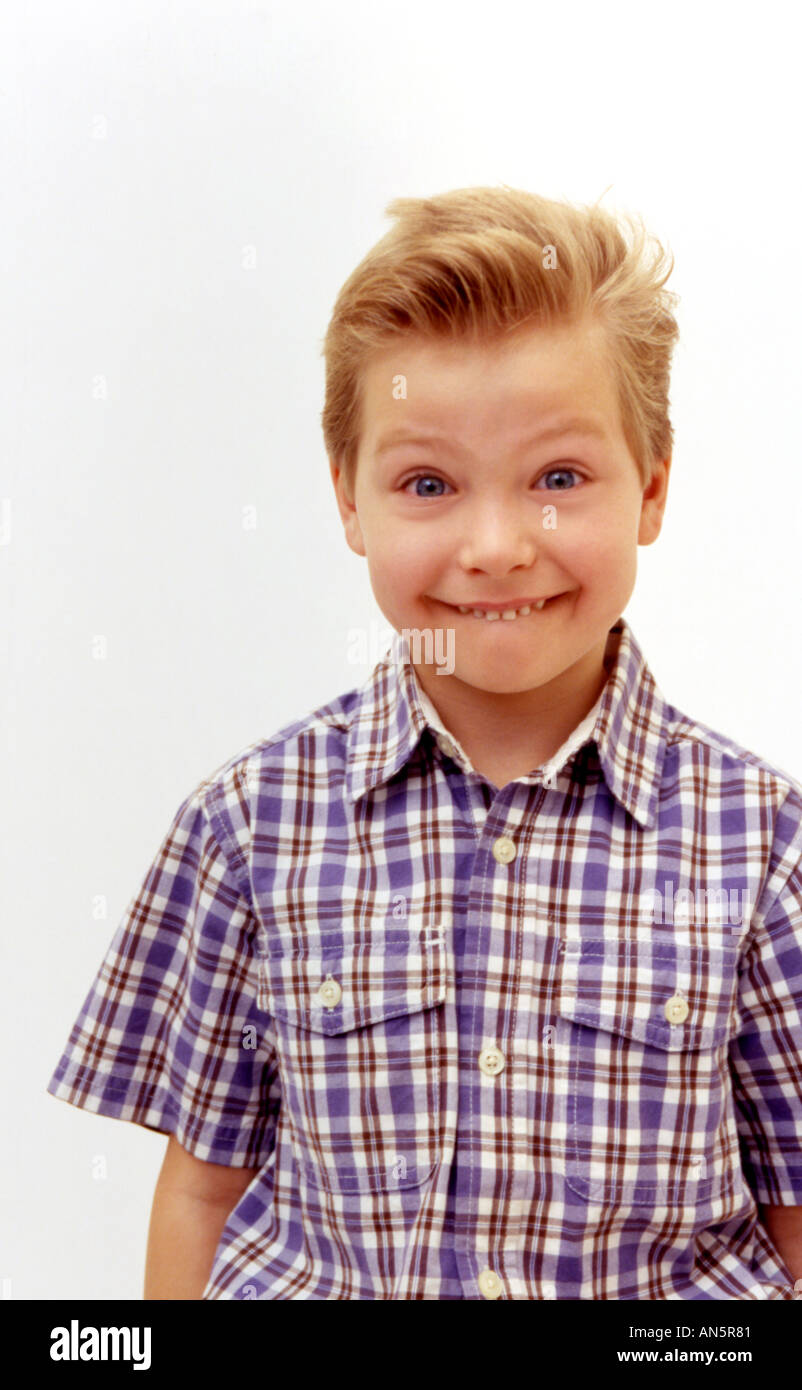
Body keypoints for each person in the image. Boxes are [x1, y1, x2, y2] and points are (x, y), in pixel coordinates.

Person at [46, 185, 802, 1299]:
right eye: (427, 484)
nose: (494, 545)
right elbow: (203, 1187)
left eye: (557, 478)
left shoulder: (763, 845)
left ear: (650, 487)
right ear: (348, 501)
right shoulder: (251, 825)